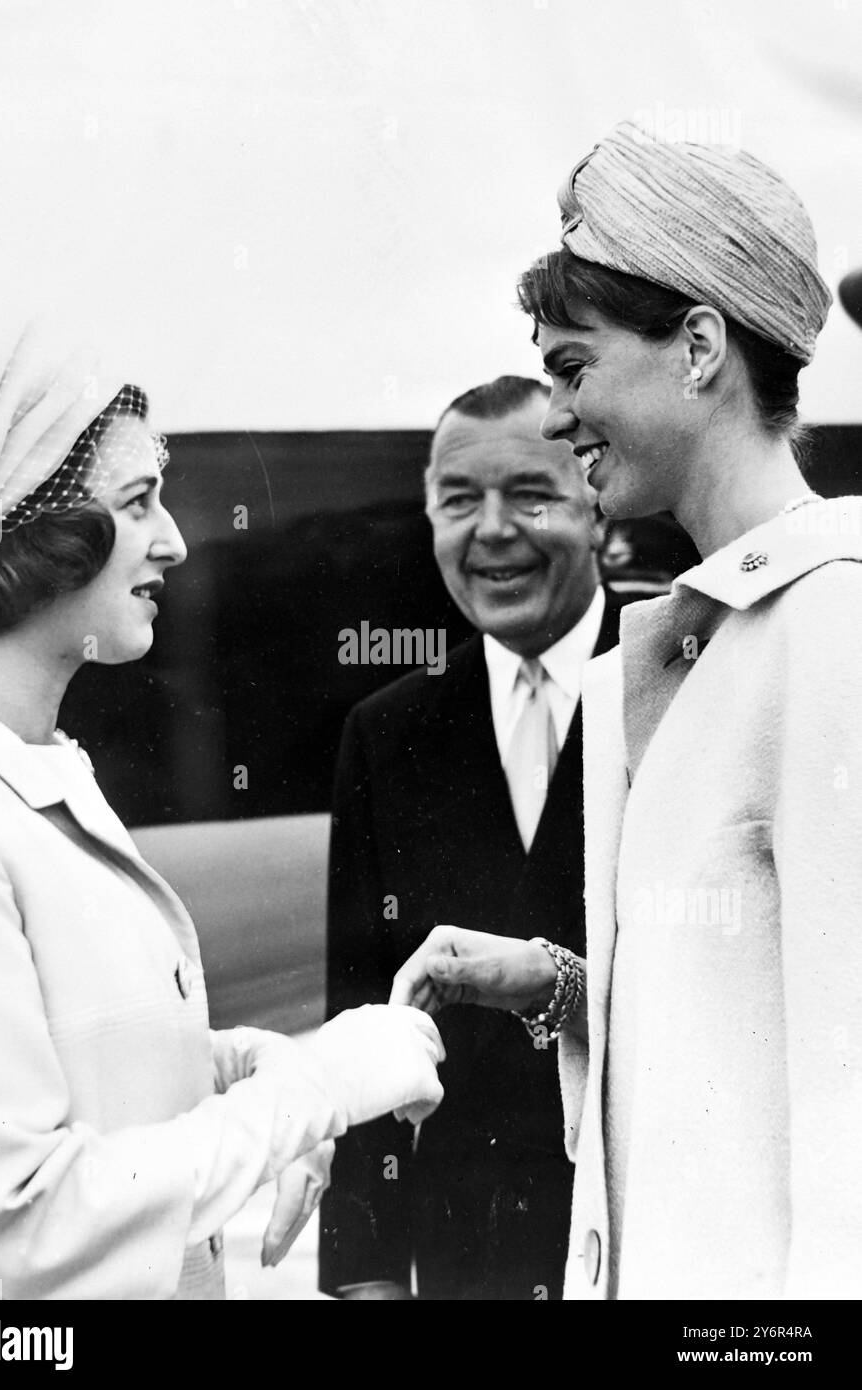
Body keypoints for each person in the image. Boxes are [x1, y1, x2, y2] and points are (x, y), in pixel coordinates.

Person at [391, 120, 862, 1300]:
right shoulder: (655, 651)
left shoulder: (835, 629)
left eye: (571, 367)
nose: (556, 416)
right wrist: (560, 985)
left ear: (699, 347)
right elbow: (728, 1017)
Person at [0, 310, 445, 1300]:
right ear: (38, 530)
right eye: (139, 500)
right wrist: (314, 1088)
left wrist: (241, 1065)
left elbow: (77, 1069)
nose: (174, 542)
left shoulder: (29, 766)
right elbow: (26, 1220)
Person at [319, 376, 631, 1301]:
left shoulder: (676, 684)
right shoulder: (384, 733)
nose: (491, 530)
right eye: (460, 501)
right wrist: (365, 1273)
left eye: (531, 495)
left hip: (646, 1238)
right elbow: (360, 1009)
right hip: (467, 1260)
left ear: (599, 506)